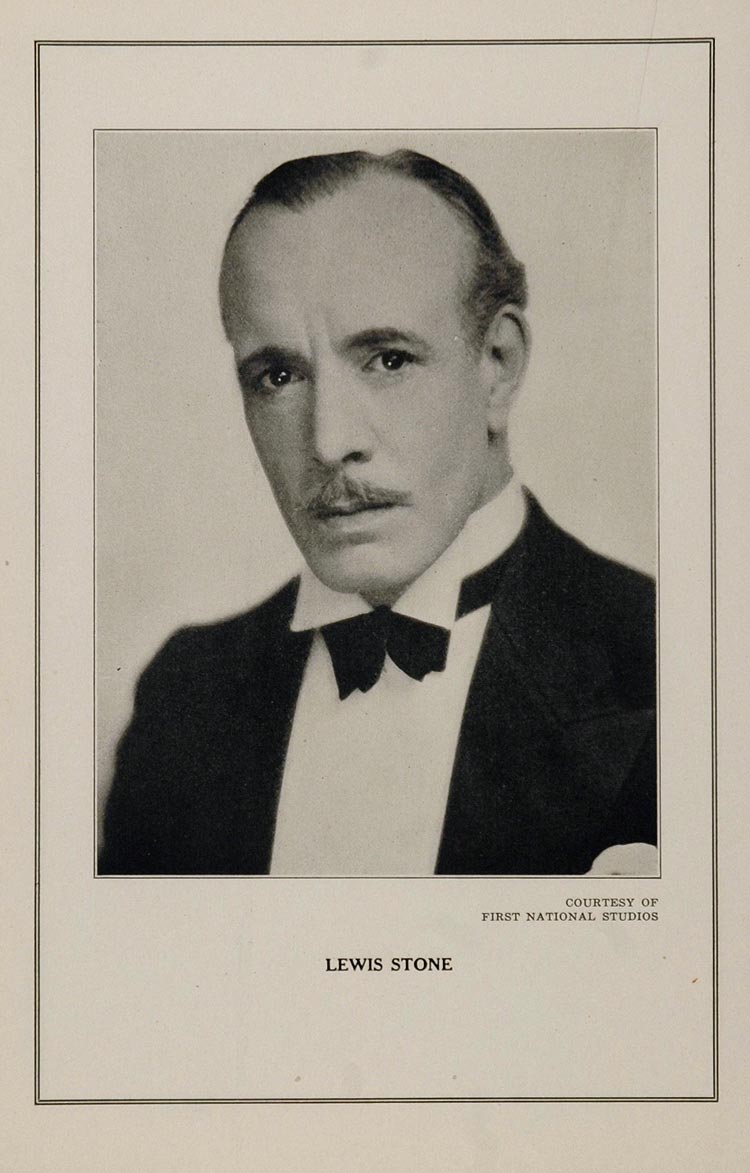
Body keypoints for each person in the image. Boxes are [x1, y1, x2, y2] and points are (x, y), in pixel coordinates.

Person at [99, 149, 656, 877]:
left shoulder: (671, 665)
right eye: (278, 375)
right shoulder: (184, 696)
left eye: (388, 359)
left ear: (498, 363)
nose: (328, 441)